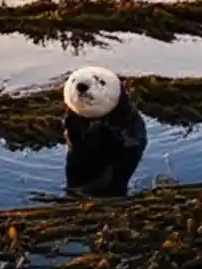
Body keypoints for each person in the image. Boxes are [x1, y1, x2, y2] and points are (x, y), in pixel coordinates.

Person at [61, 67, 147, 197]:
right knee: (76, 181)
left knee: (110, 187)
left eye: (100, 83)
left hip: (118, 153)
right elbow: (74, 141)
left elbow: (134, 142)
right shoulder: (75, 112)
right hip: (84, 155)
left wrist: (117, 138)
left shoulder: (125, 115)